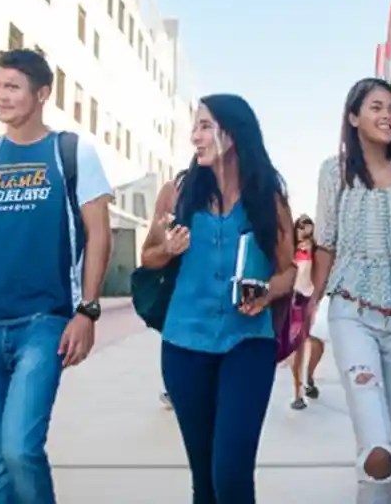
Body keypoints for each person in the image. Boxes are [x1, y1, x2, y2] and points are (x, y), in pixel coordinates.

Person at [0, 49, 114, 504]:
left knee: (20, 449)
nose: (1, 96)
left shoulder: (71, 152)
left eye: (12, 87)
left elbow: (100, 236)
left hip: (44, 323)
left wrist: (87, 312)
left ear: (42, 93)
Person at [141, 94, 295, 504]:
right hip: (184, 344)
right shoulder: (176, 193)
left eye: (205, 126)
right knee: (205, 480)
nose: (195, 136)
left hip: (247, 344)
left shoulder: (269, 200)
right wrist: (169, 250)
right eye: (195, 126)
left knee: (231, 475)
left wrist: (266, 292)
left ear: (233, 132)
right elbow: (148, 257)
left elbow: (289, 272)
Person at [310, 77, 391, 504]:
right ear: (353, 117)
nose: (388, 116)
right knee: (377, 450)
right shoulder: (335, 171)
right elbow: (325, 239)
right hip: (353, 311)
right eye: (376, 107)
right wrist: (313, 300)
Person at [289, 213, 317, 410]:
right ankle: (297, 392)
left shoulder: (316, 251)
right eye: (300, 226)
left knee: (316, 342)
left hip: (312, 299)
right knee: (297, 345)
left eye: (308, 226)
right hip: (295, 300)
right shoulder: (289, 251)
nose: (304, 230)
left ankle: (309, 375)